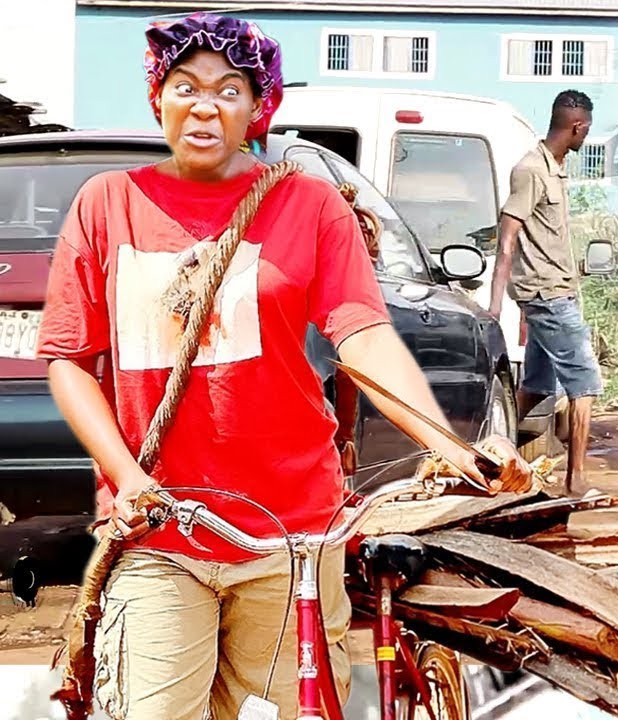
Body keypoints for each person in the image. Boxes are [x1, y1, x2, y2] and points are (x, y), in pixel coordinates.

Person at [36, 13, 531, 719]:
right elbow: (69, 359)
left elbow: (362, 337)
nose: (204, 106)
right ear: (158, 98)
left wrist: (448, 446)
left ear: (257, 107)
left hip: (293, 534)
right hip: (158, 533)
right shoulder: (107, 204)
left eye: (228, 91)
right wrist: (129, 476)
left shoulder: (309, 204)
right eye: (185, 87)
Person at [489, 90, 604, 496]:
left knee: (537, 386)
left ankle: (493, 452)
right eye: (585, 131)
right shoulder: (531, 170)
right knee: (585, 385)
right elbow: (507, 239)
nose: (585, 137)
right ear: (578, 127)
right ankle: (577, 479)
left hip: (556, 294)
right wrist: (494, 306)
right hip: (548, 297)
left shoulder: (553, 169)